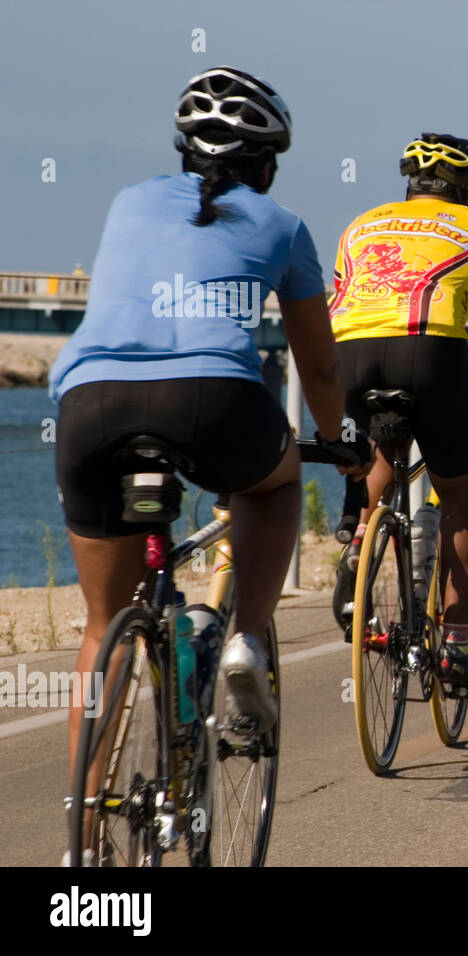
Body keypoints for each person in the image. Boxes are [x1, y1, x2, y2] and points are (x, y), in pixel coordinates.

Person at [49, 67, 371, 791]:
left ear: (183, 150)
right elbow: (320, 370)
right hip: (213, 398)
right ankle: (246, 640)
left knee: (102, 627)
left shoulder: (128, 201)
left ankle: (86, 825)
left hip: (90, 403)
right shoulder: (283, 225)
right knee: (273, 485)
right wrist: (341, 441)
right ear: (267, 165)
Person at [328, 133, 468, 689]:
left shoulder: (360, 225)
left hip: (347, 354)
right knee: (462, 499)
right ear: (467, 191)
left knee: (382, 446)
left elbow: (343, 296)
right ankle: (455, 644)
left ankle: (361, 537)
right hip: (428, 350)